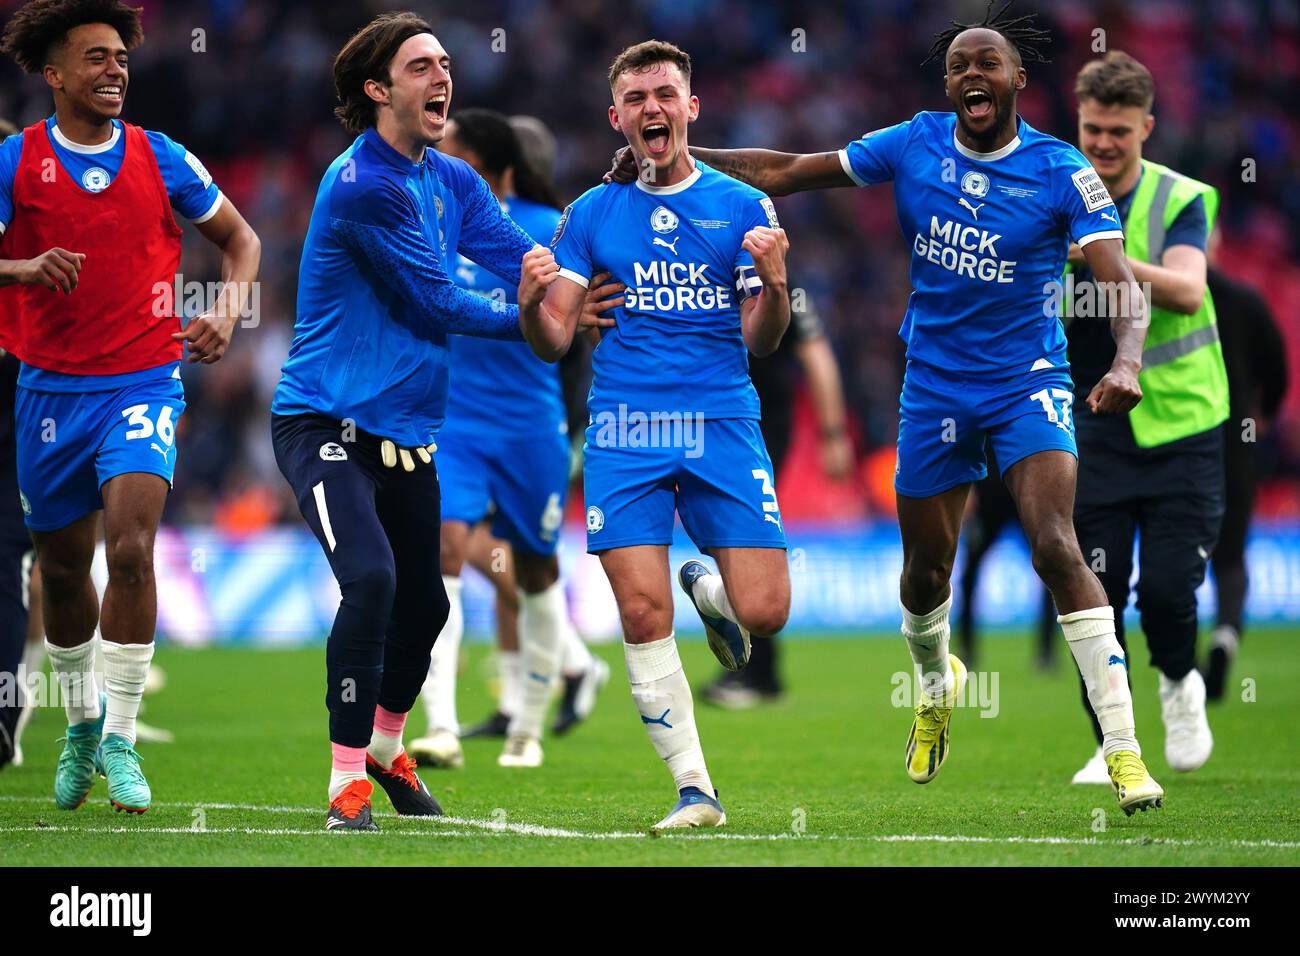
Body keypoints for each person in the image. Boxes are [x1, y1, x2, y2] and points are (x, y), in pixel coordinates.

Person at [609, 3, 1165, 814]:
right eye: (959, 66)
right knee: (924, 573)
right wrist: (675, 157)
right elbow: (791, 169)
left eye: (989, 64)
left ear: (1016, 79)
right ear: (948, 85)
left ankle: (1123, 751)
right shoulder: (914, 141)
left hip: (1026, 381)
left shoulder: (1061, 170)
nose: (973, 74)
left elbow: (1116, 276)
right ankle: (936, 684)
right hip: (934, 386)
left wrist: (1126, 358)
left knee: (1055, 543)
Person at [270, 13, 605, 830]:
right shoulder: (362, 184)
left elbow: (516, 249)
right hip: (326, 426)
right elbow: (436, 299)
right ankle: (347, 777)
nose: (443, 77)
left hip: (410, 436)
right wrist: (529, 311)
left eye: (447, 63)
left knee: (427, 607)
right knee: (375, 582)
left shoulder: (452, 182)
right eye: (421, 66)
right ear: (378, 89)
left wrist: (574, 274)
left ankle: (389, 748)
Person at [521, 39, 793, 830]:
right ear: (619, 118)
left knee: (767, 612)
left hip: (721, 420)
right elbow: (554, 337)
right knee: (642, 615)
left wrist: (774, 285)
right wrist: (529, 304)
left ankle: (712, 589)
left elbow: (764, 338)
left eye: (665, 94)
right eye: (636, 98)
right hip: (625, 427)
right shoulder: (590, 215)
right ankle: (695, 791)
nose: (652, 108)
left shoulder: (743, 206)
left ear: (690, 108)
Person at [0, 0, 261, 812]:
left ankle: (118, 735)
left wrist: (224, 309)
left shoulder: (161, 157)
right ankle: (78, 726)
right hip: (45, 388)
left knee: (134, 548)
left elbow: (243, 241)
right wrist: (24, 268)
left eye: (121, 56)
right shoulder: (16, 161)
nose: (115, 70)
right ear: (54, 75)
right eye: (96, 58)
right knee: (65, 569)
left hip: (143, 381)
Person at [408, 108, 613, 771]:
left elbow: (590, 298)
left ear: (492, 168)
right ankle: (438, 725)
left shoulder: (543, 232)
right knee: (442, 553)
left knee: (534, 571)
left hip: (531, 427)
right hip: (454, 425)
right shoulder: (434, 223)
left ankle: (526, 729)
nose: (440, 164)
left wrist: (590, 311)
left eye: (455, 154)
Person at [1063, 51, 1225, 784]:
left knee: (1166, 591)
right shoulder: (1051, 188)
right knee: (1092, 589)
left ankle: (1179, 684)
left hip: (1183, 426)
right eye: (1093, 128)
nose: (1102, 143)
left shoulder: (1182, 198)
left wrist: (1104, 256)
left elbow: (1189, 291)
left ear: (1147, 128)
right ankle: (1113, 741)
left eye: (1118, 132)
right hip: (1089, 424)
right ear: (1079, 122)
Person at [705, 286, 851, 707]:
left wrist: (833, 433)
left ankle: (760, 671)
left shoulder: (786, 285)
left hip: (760, 424)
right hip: (717, 421)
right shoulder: (710, 268)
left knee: (745, 533)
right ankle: (755, 666)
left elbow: (816, 353)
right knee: (728, 534)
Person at [1203, 260, 1287, 700]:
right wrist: (1265, 415)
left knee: (1176, 556)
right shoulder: (1246, 298)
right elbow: (1278, 370)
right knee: (1231, 556)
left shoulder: (1156, 294)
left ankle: (1175, 664)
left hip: (1175, 446)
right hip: (1236, 444)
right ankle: (1225, 634)